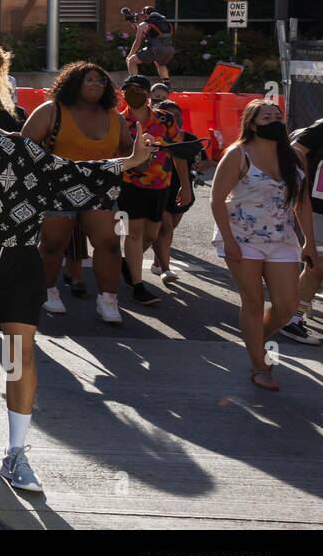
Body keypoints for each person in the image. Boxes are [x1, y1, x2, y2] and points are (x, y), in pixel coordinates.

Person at [0, 70, 155, 492]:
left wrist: (129, 162)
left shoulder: (21, 149)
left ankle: (16, 453)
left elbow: (70, 173)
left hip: (20, 259)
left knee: (20, 351)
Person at [211, 100, 314, 390]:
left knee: (288, 305)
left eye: (277, 115)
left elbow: (301, 202)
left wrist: (308, 241)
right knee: (254, 302)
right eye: (266, 116)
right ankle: (259, 365)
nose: (274, 119)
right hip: (243, 239)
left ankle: (253, 336)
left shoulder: (295, 156)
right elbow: (217, 199)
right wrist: (228, 240)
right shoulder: (237, 154)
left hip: (282, 239)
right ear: (252, 124)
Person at [21, 62, 132, 323]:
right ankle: (47, 291)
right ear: (74, 84)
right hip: (58, 185)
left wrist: (143, 155)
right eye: (89, 80)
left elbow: (127, 149)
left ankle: (108, 299)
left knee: (110, 243)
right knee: (52, 245)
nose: (95, 85)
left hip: (102, 187)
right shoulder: (52, 110)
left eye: (101, 81)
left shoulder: (114, 116)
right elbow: (24, 147)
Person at [119, 74, 191, 306]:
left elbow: (178, 152)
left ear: (149, 93)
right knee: (134, 233)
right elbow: (112, 154)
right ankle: (138, 286)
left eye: (139, 89)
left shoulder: (165, 119)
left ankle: (127, 264)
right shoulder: (119, 121)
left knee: (151, 235)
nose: (133, 93)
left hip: (161, 185)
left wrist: (186, 187)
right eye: (128, 89)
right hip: (129, 185)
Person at [150, 100, 207, 288]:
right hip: (158, 188)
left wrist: (200, 165)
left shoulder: (189, 137)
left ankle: (159, 261)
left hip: (182, 189)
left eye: (178, 115)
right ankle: (165, 267)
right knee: (164, 228)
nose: (175, 119)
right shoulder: (152, 136)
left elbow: (205, 160)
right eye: (170, 115)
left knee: (170, 228)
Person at [289, 117, 323, 344]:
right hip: (318, 206)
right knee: (316, 263)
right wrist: (303, 182)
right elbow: (295, 149)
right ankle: (291, 319)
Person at [126, 9, 174, 81]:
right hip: (170, 50)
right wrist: (137, 27)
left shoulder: (144, 24)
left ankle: (135, 84)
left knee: (131, 61)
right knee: (160, 64)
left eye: (143, 15)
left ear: (146, 15)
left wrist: (130, 55)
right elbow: (154, 35)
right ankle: (167, 86)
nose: (142, 18)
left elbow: (137, 42)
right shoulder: (165, 23)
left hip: (156, 49)